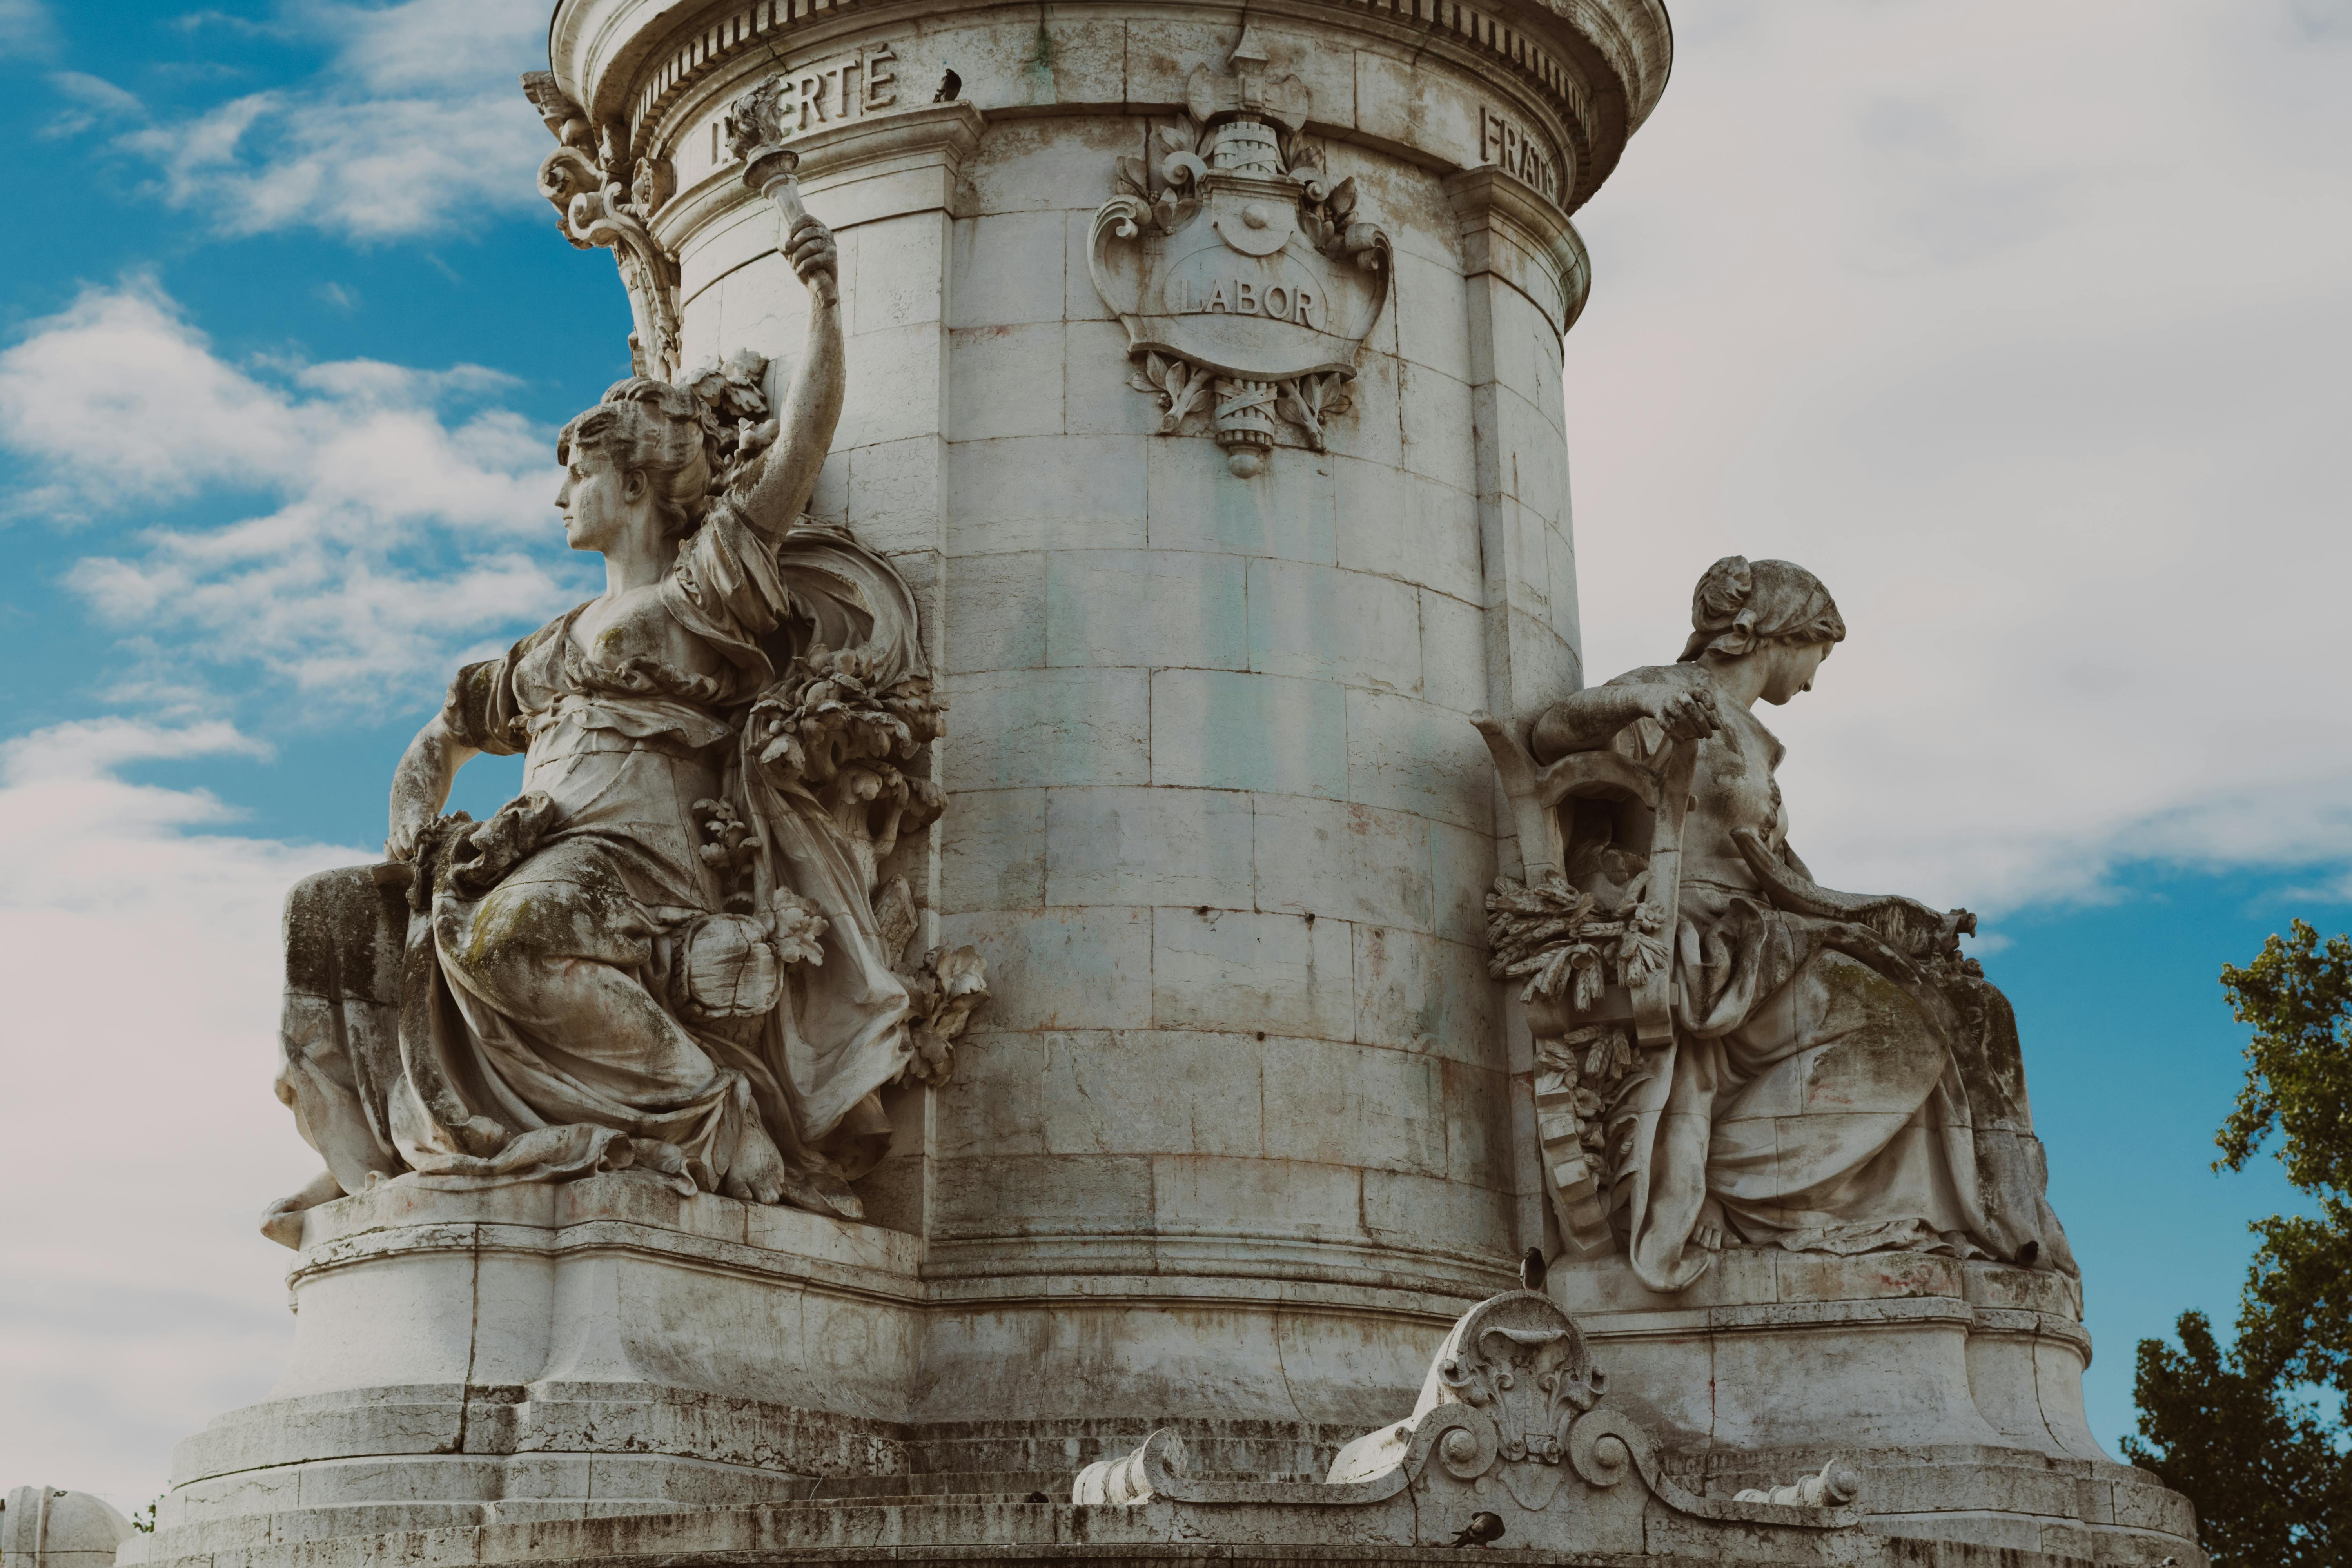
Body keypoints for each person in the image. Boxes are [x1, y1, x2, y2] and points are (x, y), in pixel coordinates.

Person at [268, 211, 936, 1228]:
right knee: (324, 910)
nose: (559, 498)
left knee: (510, 937)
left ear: (634, 483)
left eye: (576, 475)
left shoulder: (700, 593)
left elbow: (801, 447)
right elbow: (443, 737)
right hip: (531, 855)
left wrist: (827, 306)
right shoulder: (549, 643)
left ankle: (714, 1110)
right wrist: (415, 827)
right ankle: (368, 1156)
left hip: (639, 861)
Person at [1528, 556, 2072, 1292]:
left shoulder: (1754, 740)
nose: (1814, 680)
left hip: (1762, 932)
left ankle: (1998, 1219)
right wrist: (1648, 701)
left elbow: (1785, 879)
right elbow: (1549, 732)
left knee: (1978, 1008)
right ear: (1779, 635)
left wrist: (1895, 920)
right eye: (1819, 652)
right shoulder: (1668, 693)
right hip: (1707, 940)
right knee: (1900, 1028)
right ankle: (1746, 1188)